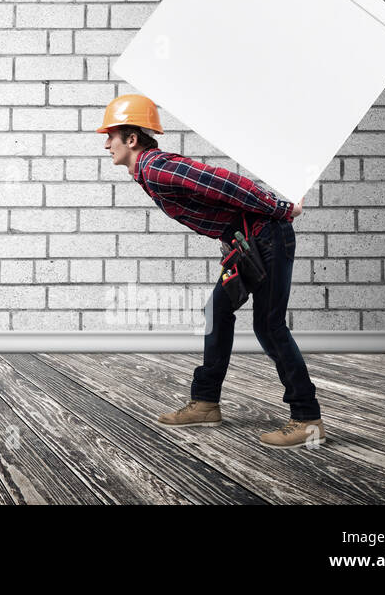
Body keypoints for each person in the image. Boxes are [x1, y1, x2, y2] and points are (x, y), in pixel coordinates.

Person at [96, 93, 326, 450]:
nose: (106, 143)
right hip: (248, 242)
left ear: (131, 139)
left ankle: (308, 419)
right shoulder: (148, 172)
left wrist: (280, 208)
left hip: (266, 235)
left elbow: (222, 183)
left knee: (269, 325)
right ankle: (205, 403)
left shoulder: (156, 166)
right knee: (215, 313)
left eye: (111, 135)